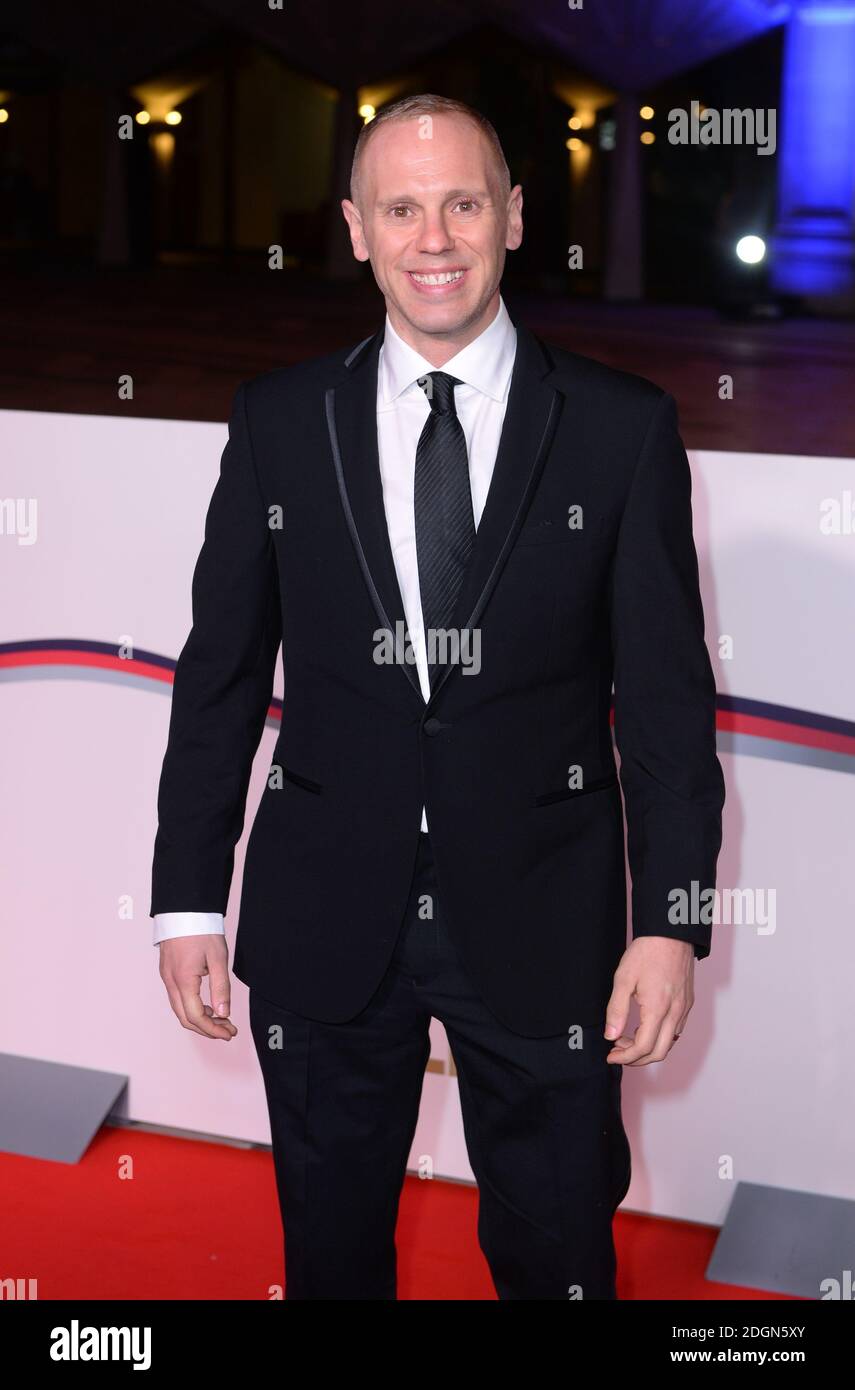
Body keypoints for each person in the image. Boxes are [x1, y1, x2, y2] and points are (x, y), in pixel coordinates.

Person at [151, 94, 725, 1300]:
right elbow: (221, 676)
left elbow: (669, 704)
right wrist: (186, 899)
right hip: (324, 913)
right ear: (356, 228)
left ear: (513, 216)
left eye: (463, 202)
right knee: (332, 1256)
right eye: (402, 208)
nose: (436, 238)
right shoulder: (276, 422)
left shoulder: (621, 432)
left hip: (547, 918)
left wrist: (670, 923)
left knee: (561, 1252)